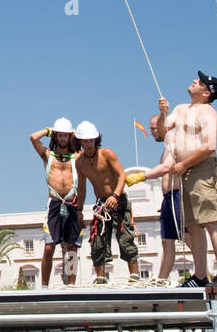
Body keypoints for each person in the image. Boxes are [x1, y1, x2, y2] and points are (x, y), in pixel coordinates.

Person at [134, 73, 217, 288]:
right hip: (185, 173)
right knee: (194, 226)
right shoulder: (180, 109)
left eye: (201, 82)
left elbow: (209, 145)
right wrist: (162, 114)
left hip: (203, 170)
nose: (195, 81)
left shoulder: (208, 112)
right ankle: (200, 276)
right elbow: (161, 132)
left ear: (207, 93)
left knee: (211, 221)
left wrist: (184, 164)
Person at [73, 121, 141, 286]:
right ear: (80, 142)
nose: (89, 144)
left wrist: (115, 195)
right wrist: (79, 210)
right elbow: (81, 188)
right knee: (97, 240)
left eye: (91, 140)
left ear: (96, 139)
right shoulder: (80, 162)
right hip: (101, 204)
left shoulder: (107, 154)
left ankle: (134, 275)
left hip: (118, 200)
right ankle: (100, 278)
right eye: (86, 140)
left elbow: (122, 175)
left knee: (125, 238)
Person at [29, 118, 81, 287]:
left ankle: (71, 285)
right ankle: (44, 286)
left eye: (66, 135)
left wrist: (73, 132)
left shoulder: (77, 156)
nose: (63, 138)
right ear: (56, 136)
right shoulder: (47, 155)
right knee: (49, 246)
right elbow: (33, 137)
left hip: (72, 202)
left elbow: (91, 145)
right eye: (60, 135)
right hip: (54, 203)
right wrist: (50, 130)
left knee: (72, 247)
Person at [149, 112, 182, 286]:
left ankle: (202, 273)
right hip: (167, 198)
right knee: (167, 241)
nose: (152, 132)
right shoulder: (167, 144)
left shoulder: (172, 141)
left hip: (176, 195)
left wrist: (142, 176)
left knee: (188, 237)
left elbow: (166, 167)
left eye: (154, 128)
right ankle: (161, 280)